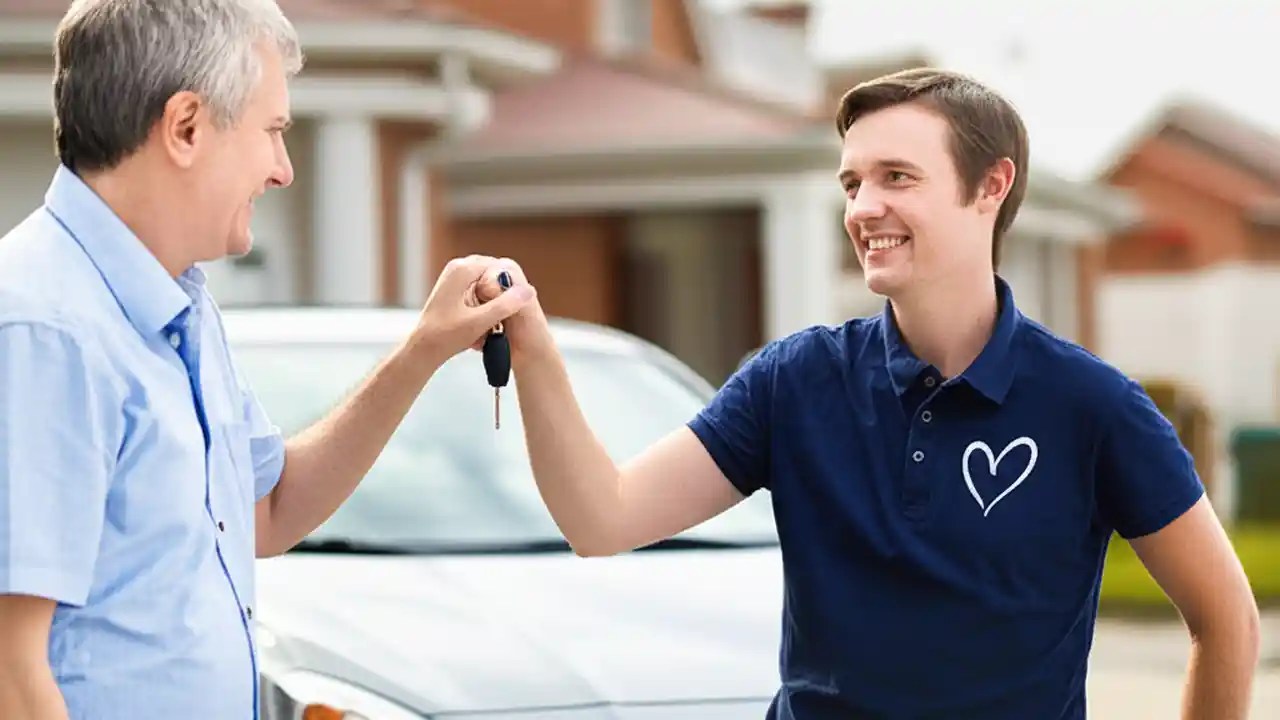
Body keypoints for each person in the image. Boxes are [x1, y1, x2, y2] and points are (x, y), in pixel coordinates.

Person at [474, 67, 1261, 719]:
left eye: (897, 177)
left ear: (991, 186)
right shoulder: (793, 382)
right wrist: (534, 347)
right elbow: (602, 517)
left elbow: (1225, 619)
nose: (862, 208)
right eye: (852, 183)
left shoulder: (1093, 406)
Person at [0, 1, 534, 718]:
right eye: (273, 131)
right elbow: (10, 672)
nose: (283, 170)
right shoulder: (42, 331)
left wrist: (422, 352)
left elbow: (268, 511)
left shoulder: (181, 306)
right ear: (186, 127)